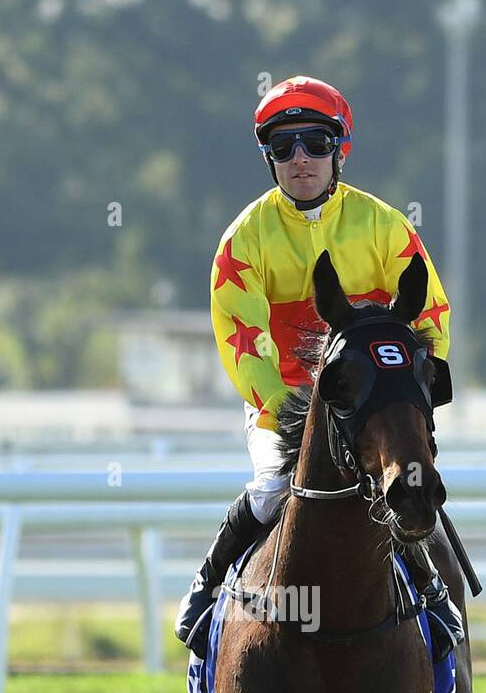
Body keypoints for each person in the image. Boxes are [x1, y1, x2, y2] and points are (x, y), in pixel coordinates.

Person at [175, 73, 464, 662]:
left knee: (408, 486)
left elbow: (430, 320)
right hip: (284, 411)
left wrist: (407, 401)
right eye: (283, 146)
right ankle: (207, 586)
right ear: (269, 159)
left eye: (314, 142)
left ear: (339, 150)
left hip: (373, 411)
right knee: (272, 487)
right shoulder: (244, 242)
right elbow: (243, 343)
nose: (299, 157)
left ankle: (434, 594)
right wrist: (297, 417)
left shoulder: (386, 227)